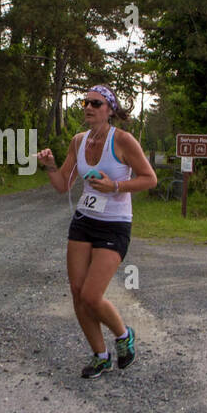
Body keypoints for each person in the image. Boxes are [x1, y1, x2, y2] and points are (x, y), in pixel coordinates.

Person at [35, 85, 157, 378]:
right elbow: (64, 184)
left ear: (109, 110)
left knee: (91, 295)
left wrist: (115, 186)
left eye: (96, 103)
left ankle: (123, 334)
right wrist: (50, 166)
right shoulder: (78, 141)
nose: (88, 107)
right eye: (85, 102)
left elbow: (149, 179)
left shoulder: (123, 141)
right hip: (84, 220)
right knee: (77, 294)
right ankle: (100, 355)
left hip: (114, 225)